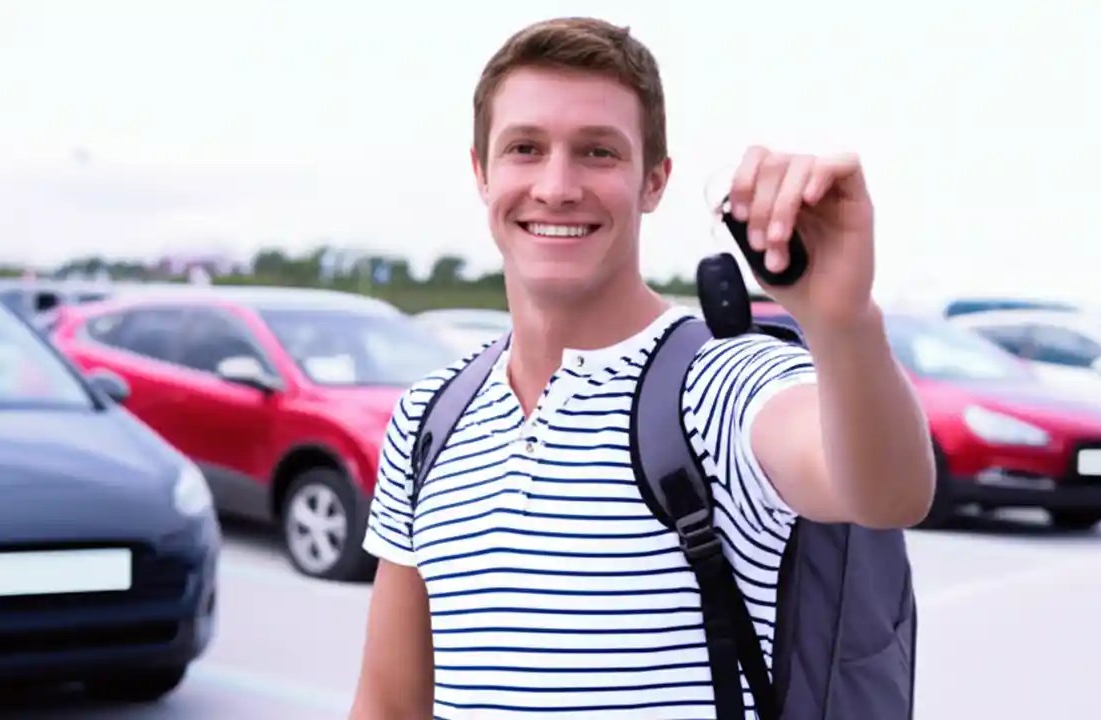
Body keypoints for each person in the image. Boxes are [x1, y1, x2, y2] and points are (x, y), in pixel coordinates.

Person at [348, 16, 936, 720]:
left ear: (654, 181)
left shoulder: (716, 388)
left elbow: (887, 493)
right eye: (525, 148)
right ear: (481, 173)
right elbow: (387, 704)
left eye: (598, 152)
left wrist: (844, 323)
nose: (557, 186)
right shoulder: (428, 417)